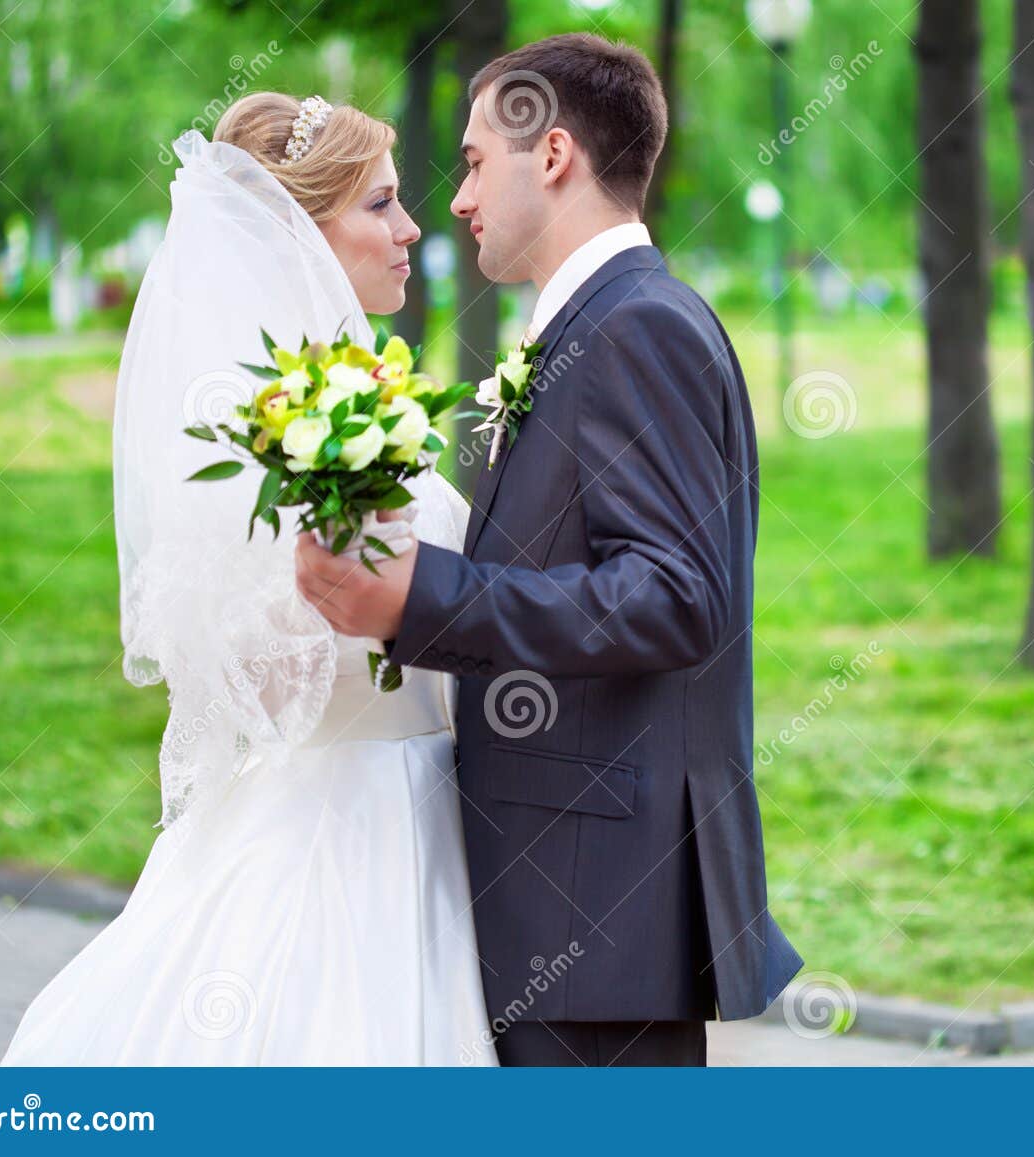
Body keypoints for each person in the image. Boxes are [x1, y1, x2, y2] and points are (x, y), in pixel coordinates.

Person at [294, 34, 802, 1068]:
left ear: (555, 155)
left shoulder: (634, 328)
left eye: (476, 160)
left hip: (595, 904)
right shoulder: (605, 321)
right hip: (576, 900)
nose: (460, 197)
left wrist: (418, 599)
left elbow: (673, 595)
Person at [1, 92, 494, 1065]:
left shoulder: (355, 398)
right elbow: (251, 667)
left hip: (438, 808)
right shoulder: (261, 428)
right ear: (298, 232)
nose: (409, 228)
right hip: (342, 829)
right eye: (379, 205)